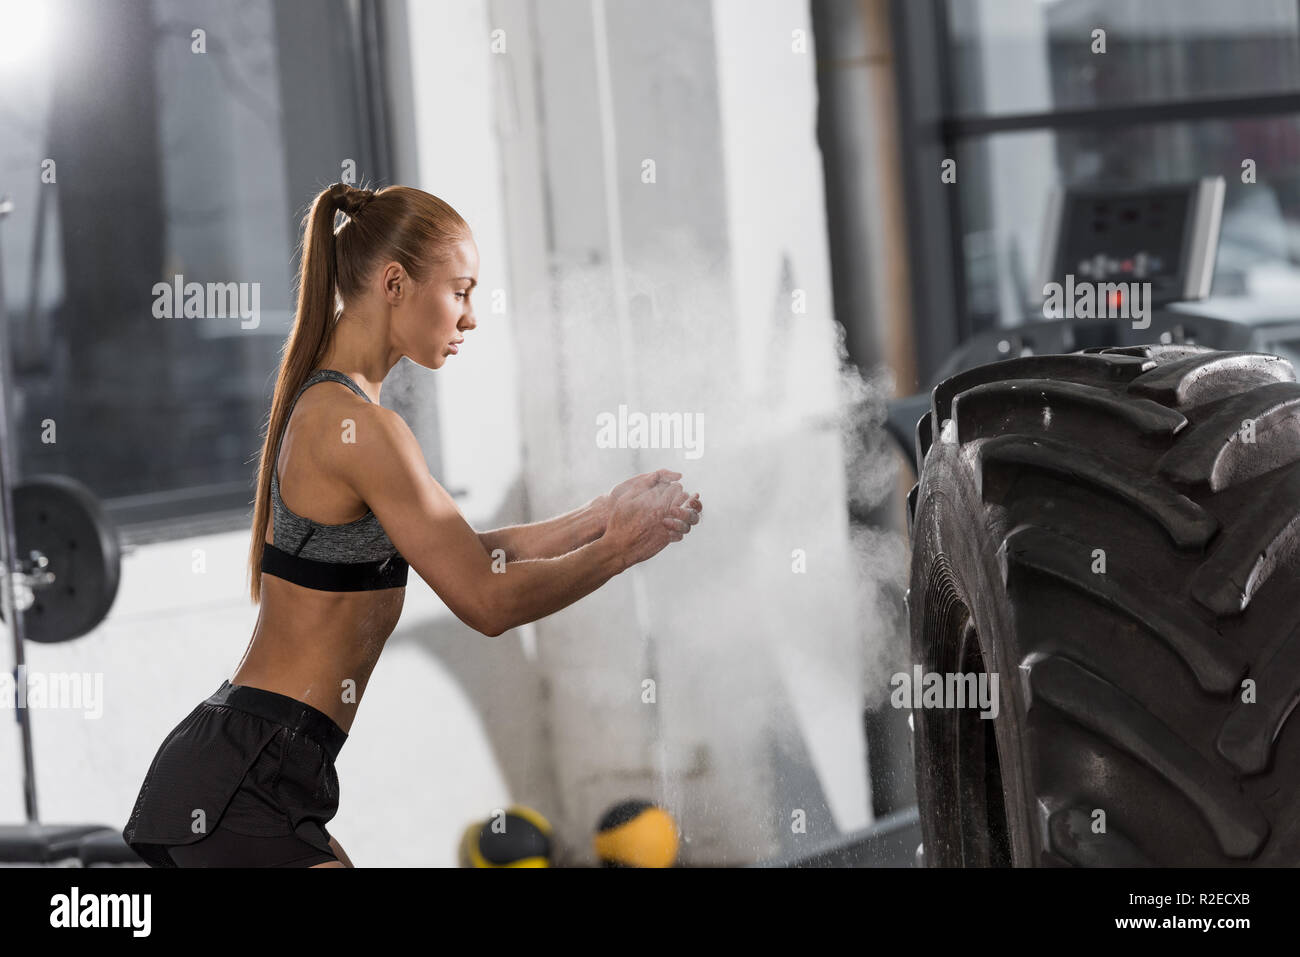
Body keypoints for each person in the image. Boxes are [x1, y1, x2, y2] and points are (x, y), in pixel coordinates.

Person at [121, 183, 702, 867]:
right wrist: (621, 549)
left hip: (257, 770)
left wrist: (601, 516)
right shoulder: (360, 429)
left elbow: (471, 554)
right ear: (394, 283)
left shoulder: (345, 414)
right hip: (243, 781)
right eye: (460, 291)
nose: (471, 318)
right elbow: (486, 600)